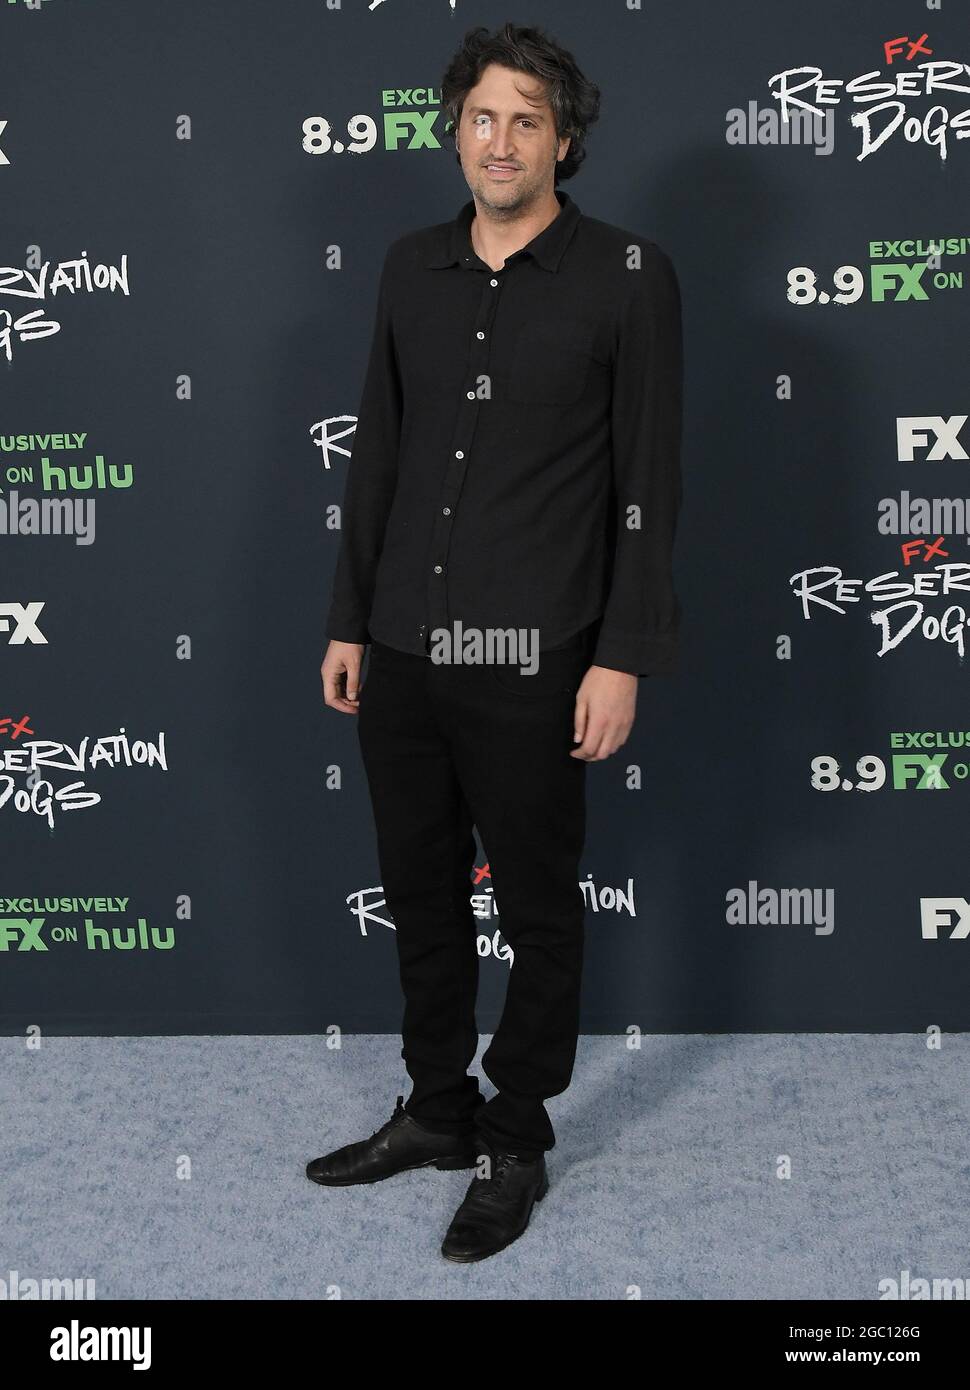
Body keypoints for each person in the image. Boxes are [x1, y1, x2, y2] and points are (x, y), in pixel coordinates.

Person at [309, 21, 683, 1263]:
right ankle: (436, 1108)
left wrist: (620, 653)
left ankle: (516, 1133)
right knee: (417, 888)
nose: (501, 139)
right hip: (405, 645)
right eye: (482, 115)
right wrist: (349, 617)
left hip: (539, 655)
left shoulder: (629, 275)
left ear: (563, 140)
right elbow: (379, 450)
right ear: (454, 129)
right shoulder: (409, 267)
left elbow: (648, 478)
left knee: (535, 901)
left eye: (527, 119)